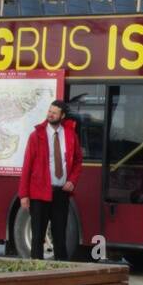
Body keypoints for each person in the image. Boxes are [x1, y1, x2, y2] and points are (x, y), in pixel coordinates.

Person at [18, 100, 83, 260]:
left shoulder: (70, 135)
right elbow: (27, 166)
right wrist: (24, 195)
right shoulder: (36, 136)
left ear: (62, 116)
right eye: (49, 111)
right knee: (37, 236)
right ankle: (35, 271)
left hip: (61, 193)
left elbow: (77, 162)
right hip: (39, 193)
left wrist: (72, 181)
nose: (50, 114)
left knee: (60, 235)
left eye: (54, 112)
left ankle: (61, 270)